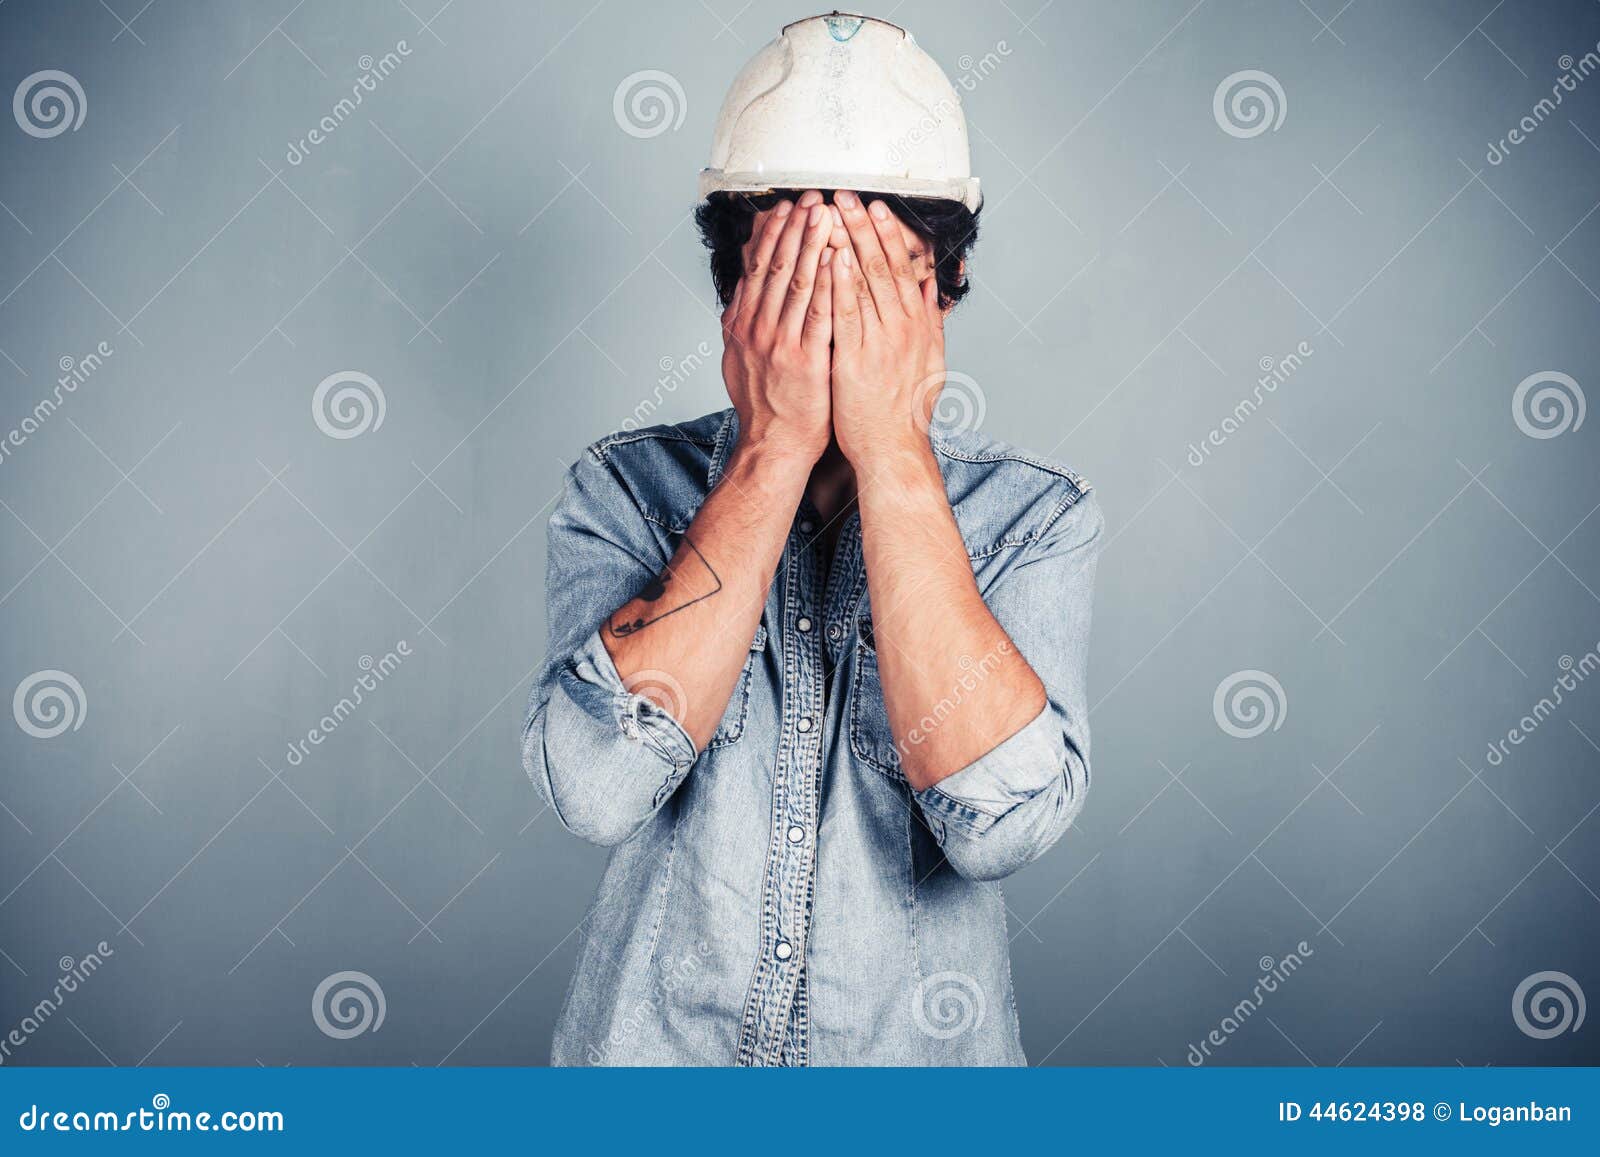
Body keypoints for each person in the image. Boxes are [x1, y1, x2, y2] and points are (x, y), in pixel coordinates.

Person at [522, 11, 1102, 1065]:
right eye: (792, 271)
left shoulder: (1034, 516)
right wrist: (771, 450)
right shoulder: (620, 487)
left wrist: (890, 453)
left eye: (874, 275)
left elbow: (1000, 826)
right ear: (731, 286)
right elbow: (596, 787)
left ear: (947, 281)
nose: (832, 310)